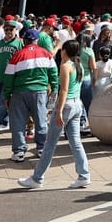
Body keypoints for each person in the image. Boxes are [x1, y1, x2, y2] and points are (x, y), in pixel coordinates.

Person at [17, 39, 91, 190]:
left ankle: (37, 178)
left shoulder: (65, 66)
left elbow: (63, 90)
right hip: (77, 104)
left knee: (50, 144)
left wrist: (58, 112)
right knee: (75, 142)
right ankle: (84, 175)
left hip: (67, 105)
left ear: (65, 51)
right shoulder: (79, 66)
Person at [4, 27, 57, 162]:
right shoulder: (46, 53)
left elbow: (9, 76)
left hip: (19, 92)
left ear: (25, 41)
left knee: (18, 123)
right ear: (37, 40)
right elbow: (53, 73)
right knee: (41, 120)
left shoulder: (17, 55)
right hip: (40, 91)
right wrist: (54, 87)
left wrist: (7, 94)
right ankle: (41, 148)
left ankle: (19, 152)